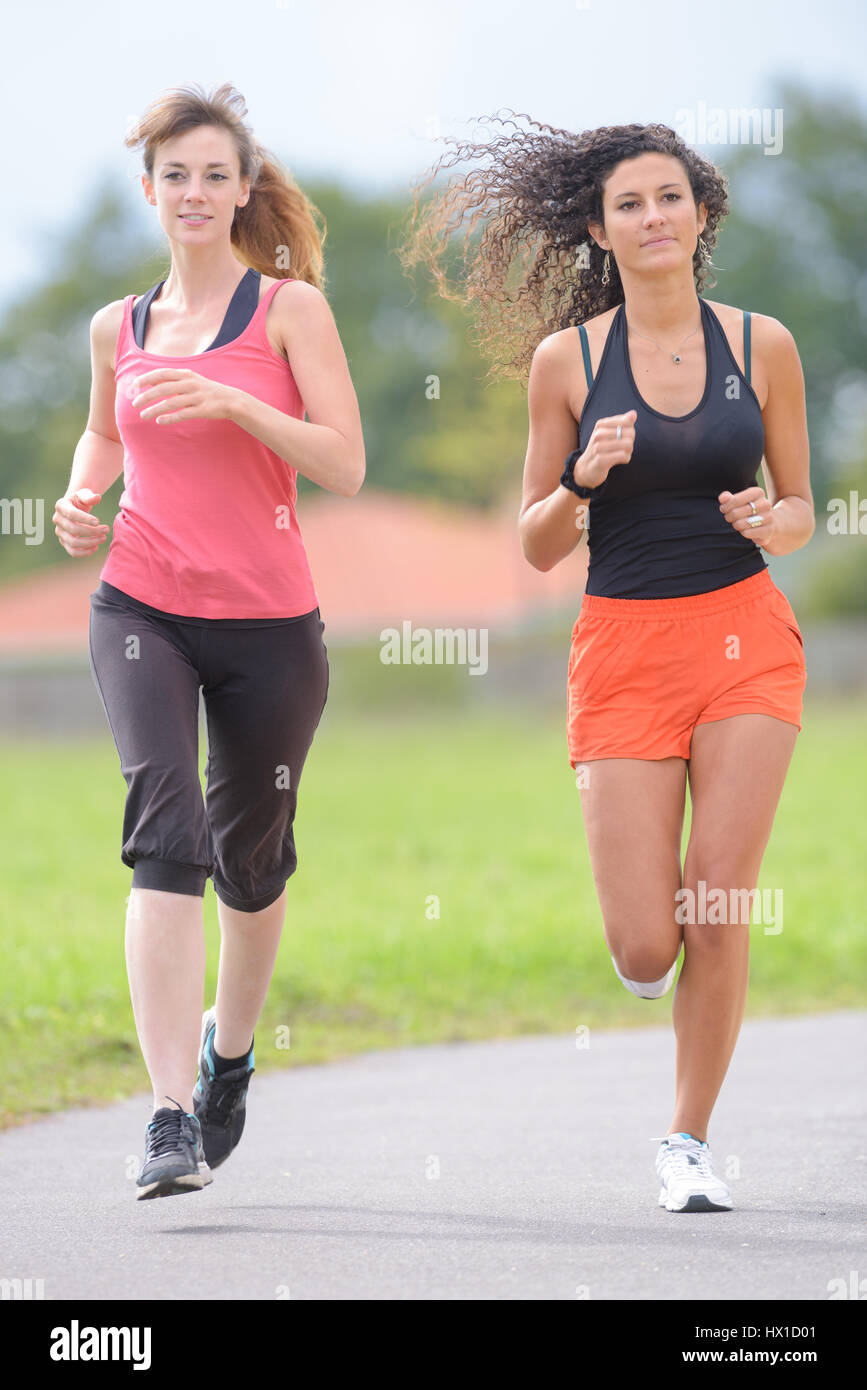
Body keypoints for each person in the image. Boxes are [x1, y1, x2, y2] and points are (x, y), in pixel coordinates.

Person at [399, 116, 812, 1213]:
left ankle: (687, 1138)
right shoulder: (567, 362)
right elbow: (533, 542)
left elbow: (805, 507)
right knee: (645, 942)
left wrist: (779, 520)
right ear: (599, 229)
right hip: (623, 646)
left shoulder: (762, 344)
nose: (653, 217)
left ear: (700, 211)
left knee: (719, 899)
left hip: (745, 642)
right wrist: (580, 481)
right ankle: (648, 976)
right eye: (629, 203)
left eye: (670, 196)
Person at [53, 82, 364, 1200]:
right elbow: (103, 429)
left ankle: (227, 1057)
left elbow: (344, 461)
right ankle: (167, 1117)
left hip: (271, 626)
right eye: (174, 175)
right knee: (163, 830)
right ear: (152, 191)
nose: (194, 191)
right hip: (141, 603)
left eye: (214, 174)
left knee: (253, 858)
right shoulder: (117, 326)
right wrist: (84, 493)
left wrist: (237, 406)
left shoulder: (289, 312)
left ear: (243, 192)